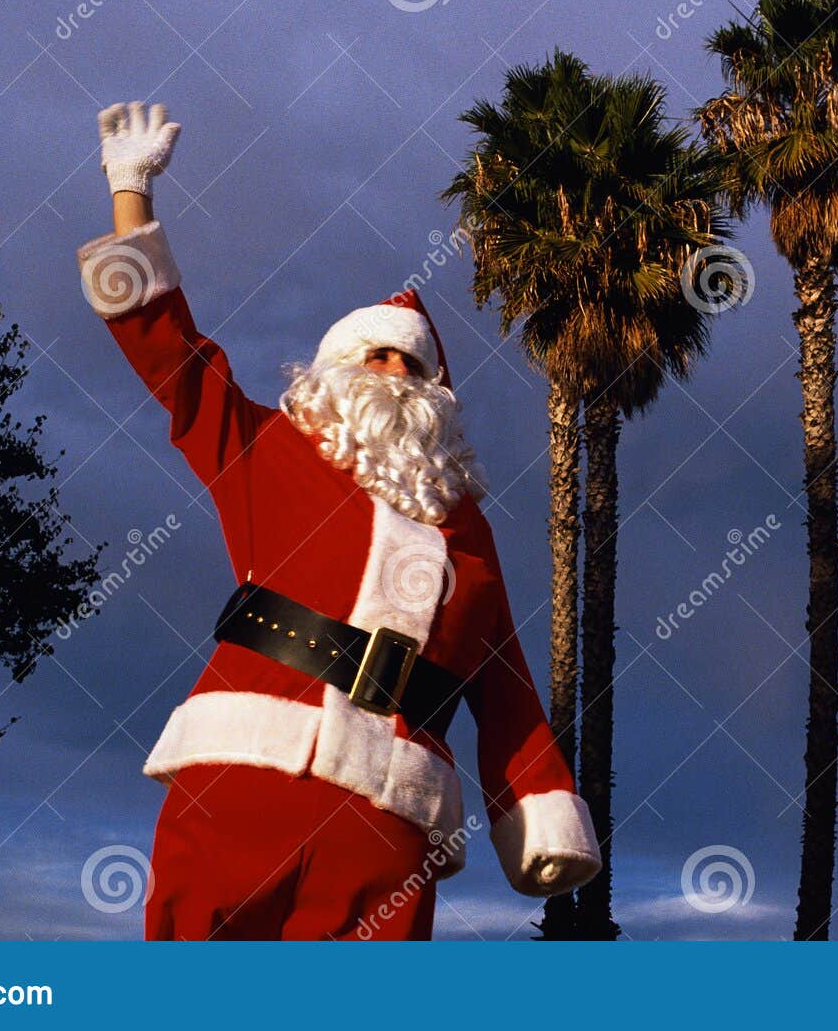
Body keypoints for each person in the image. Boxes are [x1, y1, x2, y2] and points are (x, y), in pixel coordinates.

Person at [76, 100, 599, 940]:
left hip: (389, 824)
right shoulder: (263, 448)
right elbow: (172, 356)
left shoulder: (468, 529)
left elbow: (504, 684)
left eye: (414, 362)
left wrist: (537, 805)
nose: (396, 372)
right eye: (376, 355)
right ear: (331, 372)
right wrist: (130, 192)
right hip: (244, 776)